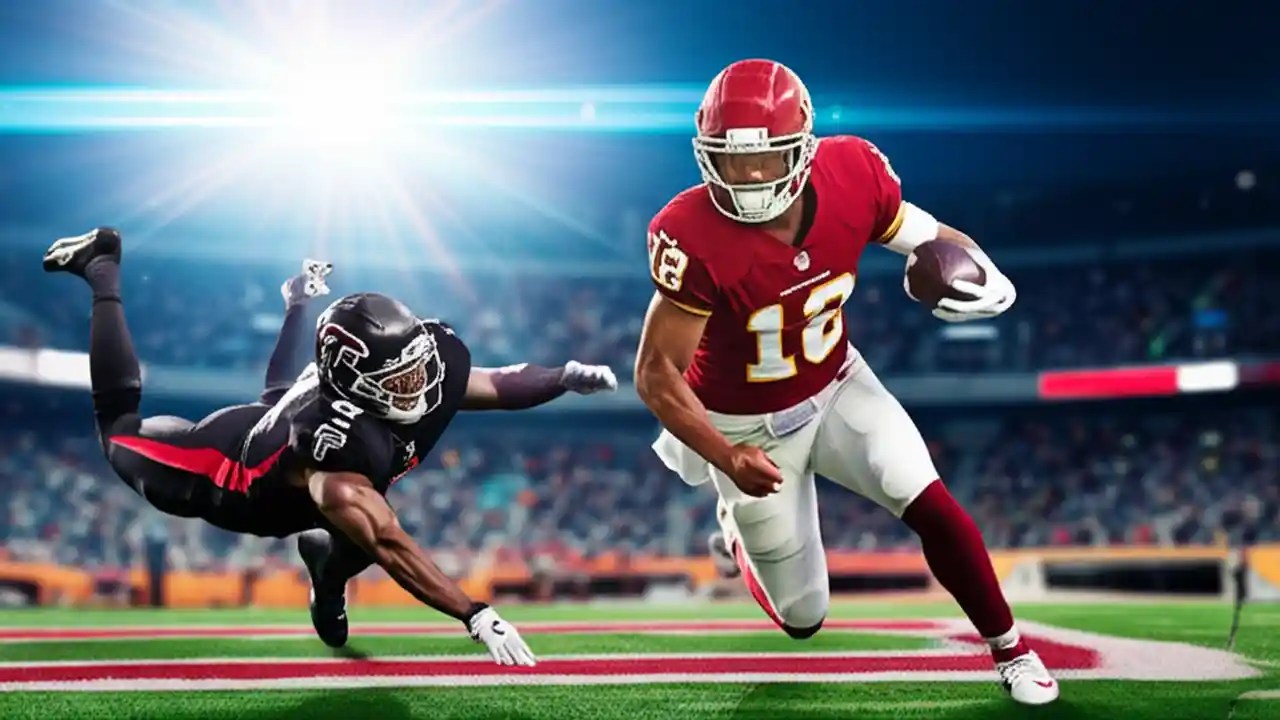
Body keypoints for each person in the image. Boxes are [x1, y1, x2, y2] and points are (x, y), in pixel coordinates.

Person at [633, 59, 1056, 705]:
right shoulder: (690, 232)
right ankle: (736, 530)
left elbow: (937, 239)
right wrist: (725, 456)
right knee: (804, 619)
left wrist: (986, 279)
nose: (746, 175)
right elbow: (656, 373)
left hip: (836, 385)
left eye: (766, 158)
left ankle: (1012, 651)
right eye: (729, 158)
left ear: (801, 147)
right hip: (744, 426)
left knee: (930, 502)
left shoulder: (854, 172)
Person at [43, 227, 617, 665]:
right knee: (118, 428)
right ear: (355, 383)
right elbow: (393, 542)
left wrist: (561, 376)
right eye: (398, 379)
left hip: (281, 426)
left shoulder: (414, 367)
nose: (418, 385)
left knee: (349, 520)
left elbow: (497, 382)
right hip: (227, 469)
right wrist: (475, 614)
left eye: (415, 367)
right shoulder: (332, 452)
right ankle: (102, 270)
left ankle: (325, 568)